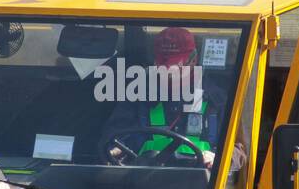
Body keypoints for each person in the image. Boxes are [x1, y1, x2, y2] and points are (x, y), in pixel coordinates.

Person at [103, 26, 246, 173]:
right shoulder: (137, 98)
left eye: (176, 65)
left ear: (193, 59)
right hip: (142, 184)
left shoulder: (217, 100)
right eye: (163, 65)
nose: (169, 72)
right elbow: (113, 138)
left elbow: (239, 150)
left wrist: (219, 159)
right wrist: (114, 150)